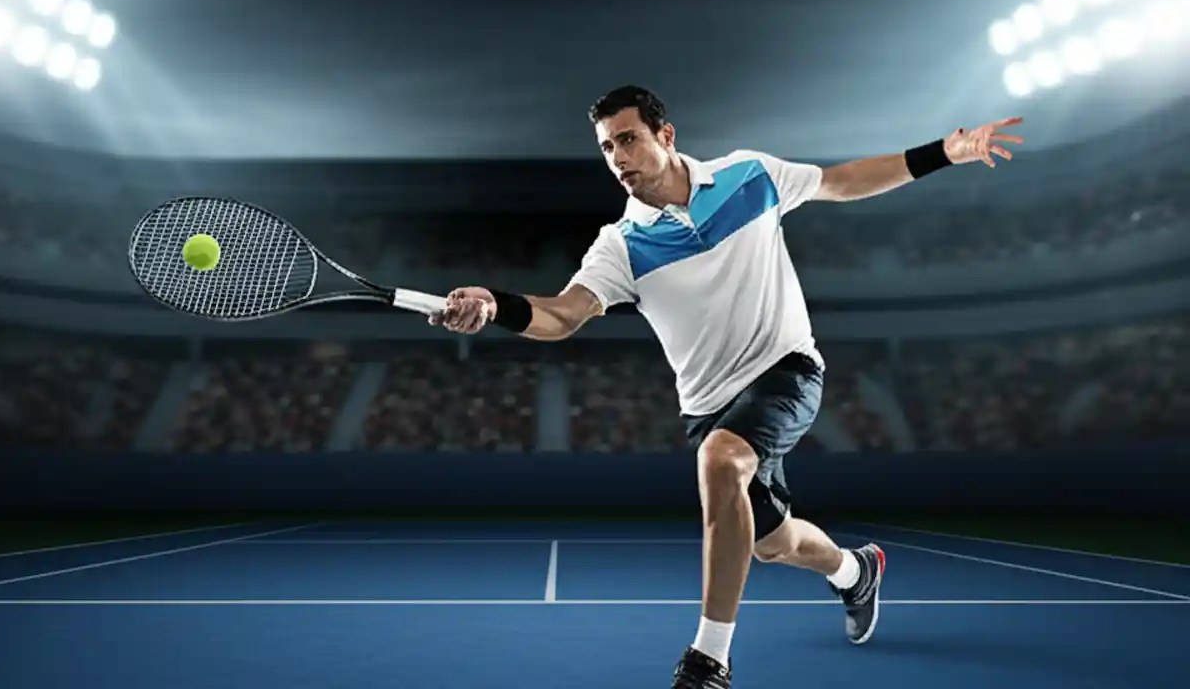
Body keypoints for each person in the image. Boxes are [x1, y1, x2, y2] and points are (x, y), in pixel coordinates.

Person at [428, 85, 1023, 688]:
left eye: (628, 139)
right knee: (772, 542)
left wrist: (944, 153)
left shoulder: (750, 176)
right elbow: (563, 314)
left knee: (722, 459)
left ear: (666, 135)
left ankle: (709, 659)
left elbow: (841, 182)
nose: (619, 158)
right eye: (607, 148)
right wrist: (496, 305)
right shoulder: (622, 244)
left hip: (786, 370)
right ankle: (853, 572)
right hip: (710, 406)